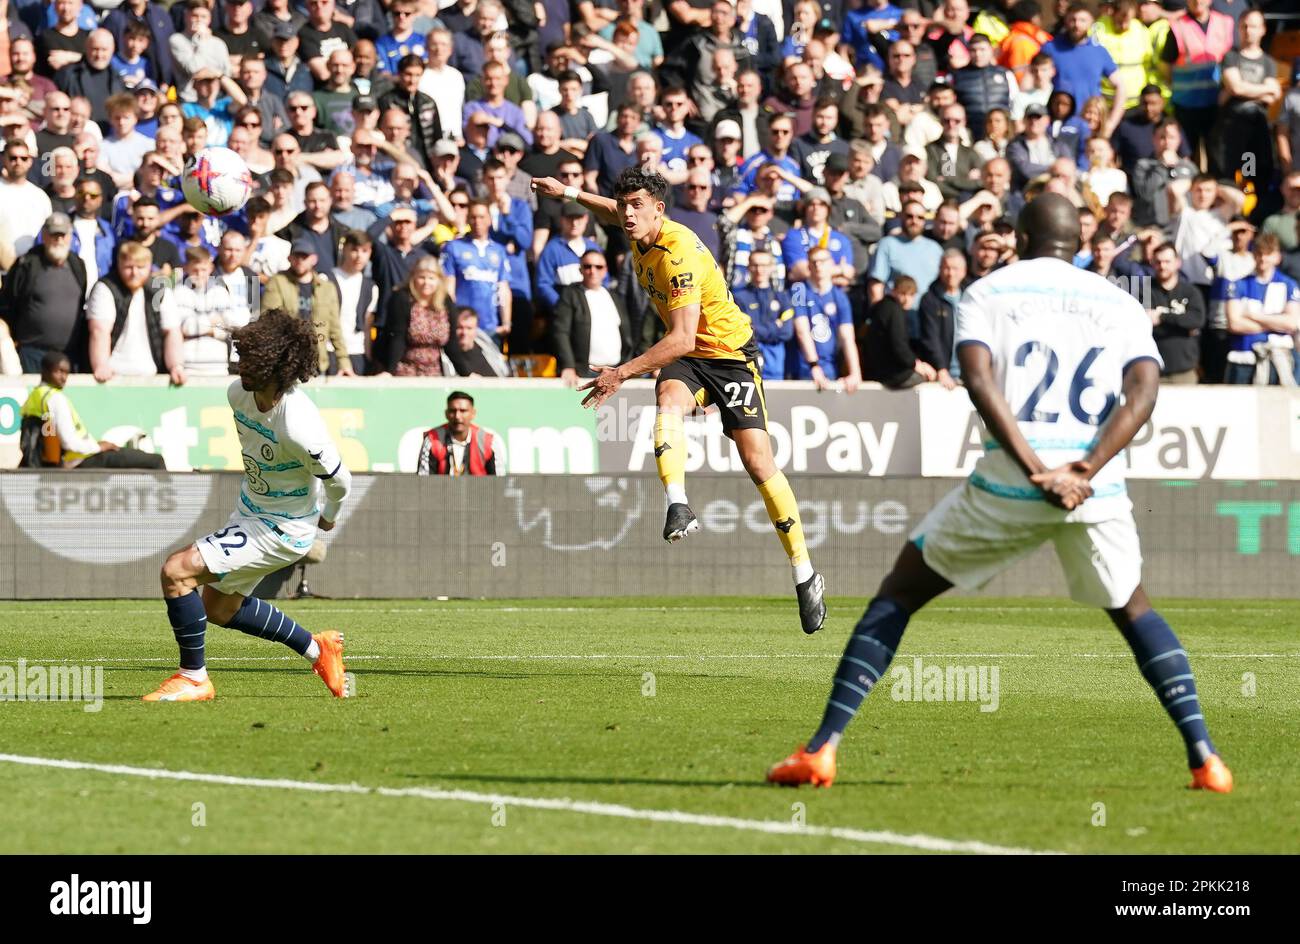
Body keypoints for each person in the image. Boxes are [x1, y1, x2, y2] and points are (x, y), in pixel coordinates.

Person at [767, 192, 1234, 796]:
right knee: (1134, 610)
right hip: (1095, 489)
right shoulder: (1119, 300)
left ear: (1017, 235)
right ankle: (1206, 759)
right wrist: (1084, 467)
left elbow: (979, 382)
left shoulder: (989, 291)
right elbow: (1144, 392)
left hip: (1011, 482)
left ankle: (822, 749)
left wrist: (1037, 467)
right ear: (1081, 241)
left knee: (899, 594)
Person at [531, 165, 827, 634]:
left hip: (727, 355)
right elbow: (610, 210)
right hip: (687, 357)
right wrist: (566, 190)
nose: (628, 215)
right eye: (625, 206)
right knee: (668, 401)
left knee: (758, 463)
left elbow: (685, 337)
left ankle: (804, 573)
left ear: (659, 211)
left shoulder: (678, 252)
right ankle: (678, 503)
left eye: (637, 207)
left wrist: (621, 373)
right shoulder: (638, 227)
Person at [144, 310, 351, 703]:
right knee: (219, 609)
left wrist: (329, 516)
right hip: (252, 512)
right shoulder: (237, 393)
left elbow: (341, 480)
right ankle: (317, 649)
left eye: (252, 358)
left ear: (277, 364)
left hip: (282, 528)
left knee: (176, 572)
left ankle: (193, 678)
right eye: (243, 354)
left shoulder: (299, 424)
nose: (241, 365)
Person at [20, 351, 166, 469]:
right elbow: (69, 443)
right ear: (45, 371)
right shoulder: (55, 398)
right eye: (59, 371)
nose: (64, 377)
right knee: (156, 461)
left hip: (63, 462)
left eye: (66, 373)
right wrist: (98, 447)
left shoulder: (33, 397)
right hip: (81, 460)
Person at [86, 241, 186, 383]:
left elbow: (172, 332)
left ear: (150, 266)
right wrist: (101, 365)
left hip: (152, 374)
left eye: (140, 267)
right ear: (119, 264)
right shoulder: (105, 288)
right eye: (128, 267)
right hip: (113, 374)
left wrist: (176, 366)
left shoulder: (161, 291)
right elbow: (99, 331)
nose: (134, 273)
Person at [0, 214, 89, 372]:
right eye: (53, 235)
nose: (58, 240)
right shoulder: (26, 265)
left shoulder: (78, 265)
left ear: (69, 236)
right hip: (32, 353)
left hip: (68, 354)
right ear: (44, 235)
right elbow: (8, 303)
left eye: (62, 235)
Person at [260, 239, 353, 375]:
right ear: (289, 258)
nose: (300, 260)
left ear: (314, 259)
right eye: (297, 256)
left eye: (305, 256)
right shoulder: (277, 282)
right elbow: (269, 321)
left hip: (317, 360)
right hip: (286, 360)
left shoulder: (326, 288)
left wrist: (344, 362)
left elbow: (335, 328)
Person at [1223, 233, 1300, 386]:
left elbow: (1292, 323)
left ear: (1277, 257)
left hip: (1278, 357)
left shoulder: (1288, 285)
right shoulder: (1239, 284)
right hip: (1244, 357)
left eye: (1268, 254)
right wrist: (1276, 324)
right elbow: (1234, 324)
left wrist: (1252, 315)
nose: (1263, 259)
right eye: (1259, 253)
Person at [552, 249, 632, 385]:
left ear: (605, 270)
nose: (592, 271)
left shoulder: (613, 296)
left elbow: (626, 333)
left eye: (598, 267)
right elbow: (560, 331)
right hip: (584, 373)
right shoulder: (570, 294)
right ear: (580, 269)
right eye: (587, 266)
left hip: (616, 371)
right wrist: (568, 365)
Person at [791, 246, 861, 390]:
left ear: (831, 264)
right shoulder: (798, 290)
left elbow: (847, 337)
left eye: (823, 261)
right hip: (804, 367)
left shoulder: (840, 297)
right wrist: (814, 365)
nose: (818, 266)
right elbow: (802, 331)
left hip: (830, 367)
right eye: (814, 262)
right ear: (808, 265)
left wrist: (855, 372)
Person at [373, 254, 451, 377]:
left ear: (438, 280)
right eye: (422, 277)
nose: (426, 282)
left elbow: (453, 344)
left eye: (431, 278)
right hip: (405, 367)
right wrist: (389, 371)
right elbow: (397, 338)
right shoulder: (401, 298)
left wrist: (467, 372)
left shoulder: (445, 301)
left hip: (434, 371)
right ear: (413, 278)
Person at [1146, 242, 1206, 384]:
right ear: (1152, 263)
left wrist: (1161, 317)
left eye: (1167, 261)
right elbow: (1142, 325)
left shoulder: (1191, 292)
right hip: (1153, 371)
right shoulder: (1144, 291)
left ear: (1178, 263)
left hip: (1185, 371)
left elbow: (1197, 320)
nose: (1162, 266)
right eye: (1158, 262)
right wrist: (1183, 327)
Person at [732, 248, 793, 381]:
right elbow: (745, 332)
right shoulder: (738, 298)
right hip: (748, 366)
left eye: (764, 265)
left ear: (772, 267)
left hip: (776, 367)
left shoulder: (782, 297)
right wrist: (775, 326)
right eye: (755, 265)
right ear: (748, 267)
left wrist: (758, 327)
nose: (759, 270)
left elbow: (787, 332)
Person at [416, 390, 501, 476]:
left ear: (473, 413)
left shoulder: (488, 442)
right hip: (440, 489)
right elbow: (424, 483)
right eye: (453, 411)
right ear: (446, 414)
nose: (457, 416)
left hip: (480, 489)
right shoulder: (432, 440)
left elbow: (499, 482)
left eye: (463, 411)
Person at [444, 307, 511, 378]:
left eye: (469, 328)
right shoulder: (445, 358)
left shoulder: (487, 348)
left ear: (476, 329)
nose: (464, 333)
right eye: (459, 328)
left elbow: (506, 373)